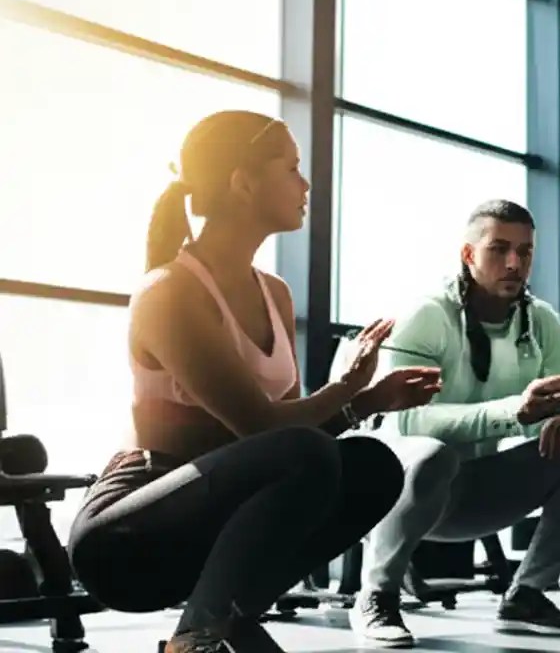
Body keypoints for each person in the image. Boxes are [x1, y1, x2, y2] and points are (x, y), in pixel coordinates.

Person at [65, 111, 442, 653]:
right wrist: (346, 393)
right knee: (304, 452)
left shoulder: (275, 294)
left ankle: (232, 614)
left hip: (216, 526)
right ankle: (198, 637)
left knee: (373, 466)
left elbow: (288, 443)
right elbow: (260, 428)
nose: (305, 183)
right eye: (290, 167)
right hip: (131, 538)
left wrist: (373, 400)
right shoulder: (170, 291)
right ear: (242, 182)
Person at [337, 200, 560, 648]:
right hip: (400, 494)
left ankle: (527, 595)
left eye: (525, 252)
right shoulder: (427, 315)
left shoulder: (541, 321)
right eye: (499, 249)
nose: (514, 263)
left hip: (471, 497)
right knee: (433, 453)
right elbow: (408, 421)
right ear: (469, 255)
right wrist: (516, 412)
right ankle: (376, 595)